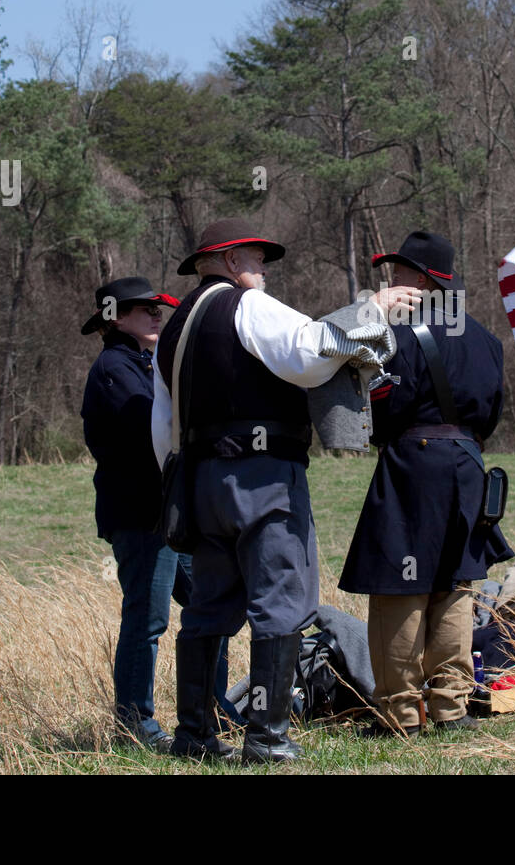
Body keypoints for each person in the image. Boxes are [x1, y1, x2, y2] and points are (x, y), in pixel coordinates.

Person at [151, 218, 418, 764]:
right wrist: (374, 308)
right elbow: (307, 352)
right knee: (283, 600)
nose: (263, 268)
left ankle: (194, 736)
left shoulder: (174, 327)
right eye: (255, 258)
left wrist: (187, 482)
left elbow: (162, 426)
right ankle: (267, 738)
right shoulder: (246, 305)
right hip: (263, 477)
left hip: (197, 482)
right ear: (229, 261)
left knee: (207, 609)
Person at [339, 231, 514, 736]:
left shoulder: (399, 332)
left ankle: (400, 713)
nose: (391, 281)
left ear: (422, 279)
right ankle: (451, 707)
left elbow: (383, 407)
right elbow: (491, 415)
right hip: (466, 464)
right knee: (454, 585)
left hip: (414, 465)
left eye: (399, 272)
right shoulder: (485, 339)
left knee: (400, 587)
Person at [81, 276, 191, 750]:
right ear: (115, 318)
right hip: (143, 516)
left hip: (170, 513)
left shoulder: (144, 360)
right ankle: (134, 726)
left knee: (209, 606)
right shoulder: (113, 366)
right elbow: (152, 426)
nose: (156, 314)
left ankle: (211, 712)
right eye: (143, 309)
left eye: (157, 307)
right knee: (146, 619)